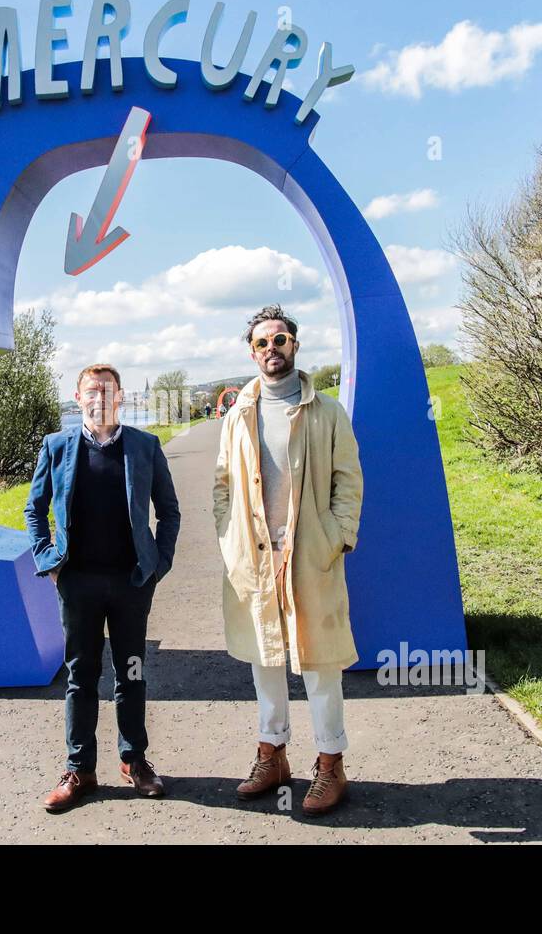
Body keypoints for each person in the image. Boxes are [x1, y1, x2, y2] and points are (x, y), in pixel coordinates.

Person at [212, 305, 364, 816]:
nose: (271, 349)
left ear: (294, 346)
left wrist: (337, 537)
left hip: (310, 558)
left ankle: (330, 764)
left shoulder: (326, 411)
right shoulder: (237, 414)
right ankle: (272, 754)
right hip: (255, 560)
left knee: (320, 665)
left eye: (279, 340)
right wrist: (229, 539)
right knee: (265, 662)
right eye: (261, 343)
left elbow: (349, 479)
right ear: (250, 352)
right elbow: (222, 485)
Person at [25, 363, 181, 813]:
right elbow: (34, 510)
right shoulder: (56, 447)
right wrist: (48, 561)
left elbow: (169, 511)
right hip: (77, 583)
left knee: (131, 673)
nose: (99, 398)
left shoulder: (145, 446)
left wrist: (158, 564)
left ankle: (135, 760)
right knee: (81, 676)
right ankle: (80, 768)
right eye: (91, 391)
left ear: (121, 396)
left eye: (107, 391)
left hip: (131, 582)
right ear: (78, 399)